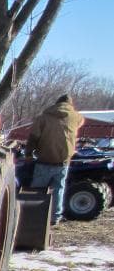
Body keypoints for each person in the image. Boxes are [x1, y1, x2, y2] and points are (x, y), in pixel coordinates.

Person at [25, 94, 84, 223]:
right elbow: (80, 123)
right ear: (70, 105)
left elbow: (33, 137)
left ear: (56, 104)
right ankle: (55, 217)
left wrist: (28, 154)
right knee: (58, 190)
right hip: (63, 162)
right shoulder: (76, 117)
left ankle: (34, 215)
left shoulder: (43, 118)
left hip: (44, 160)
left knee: (38, 190)